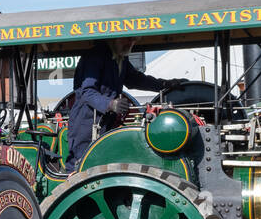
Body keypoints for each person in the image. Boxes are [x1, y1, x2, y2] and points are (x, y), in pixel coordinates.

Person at [63, 41, 185, 170]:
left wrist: (165, 84)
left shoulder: (121, 58)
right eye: (127, 38)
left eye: (133, 39)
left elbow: (136, 80)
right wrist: (111, 104)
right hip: (86, 123)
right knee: (80, 164)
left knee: (103, 165)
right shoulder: (95, 55)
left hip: (106, 122)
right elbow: (86, 92)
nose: (130, 43)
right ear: (114, 39)